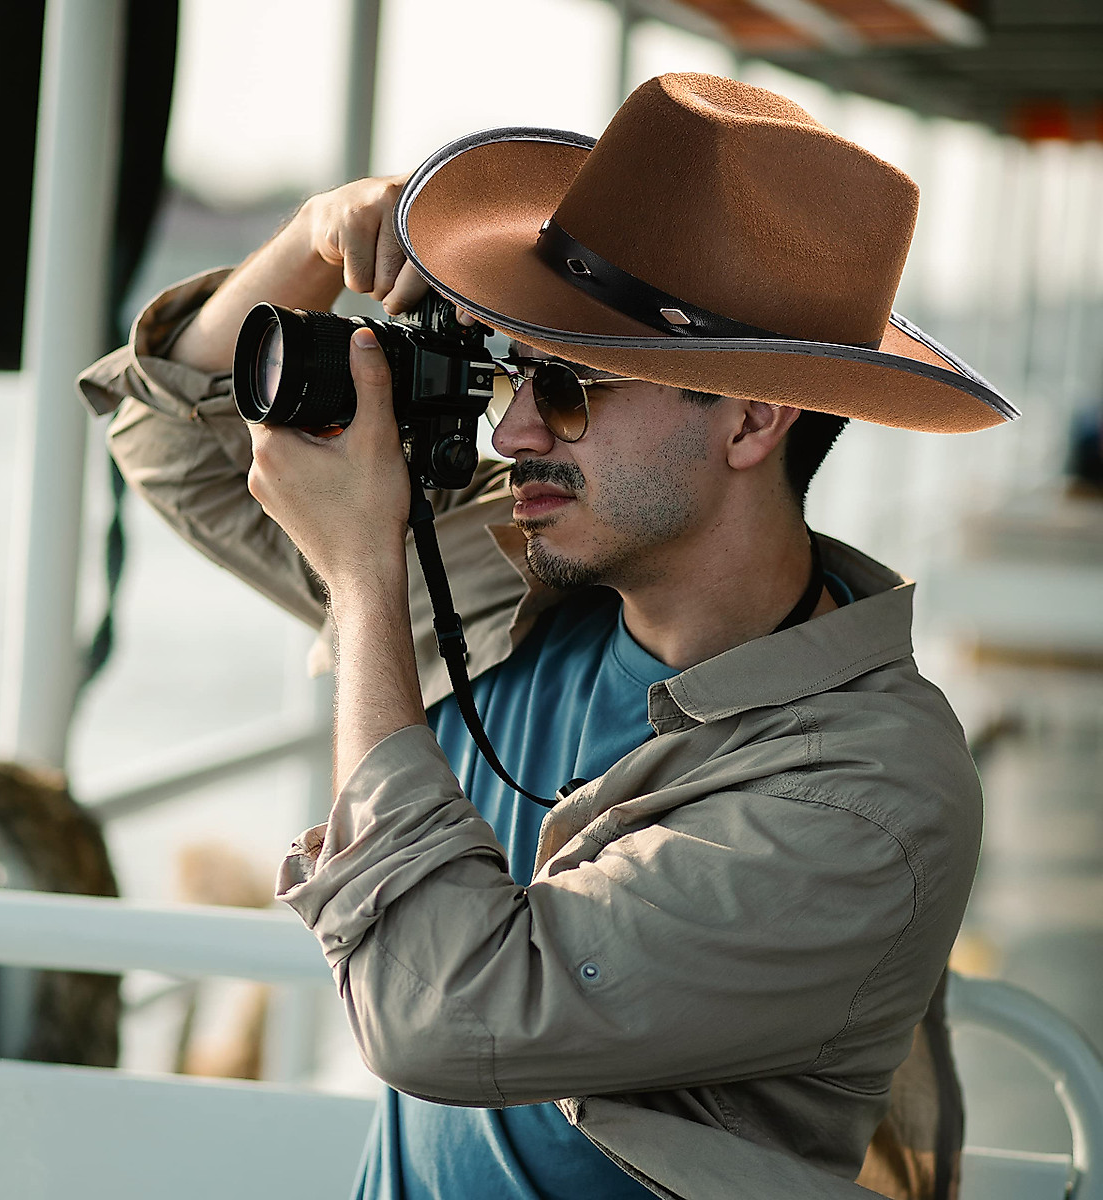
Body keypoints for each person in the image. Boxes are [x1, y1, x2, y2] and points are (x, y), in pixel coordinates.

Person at [79, 75, 1017, 1199]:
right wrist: (315, 241)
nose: (515, 430)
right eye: (517, 374)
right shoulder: (530, 571)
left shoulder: (869, 796)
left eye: (571, 388)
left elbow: (443, 1015)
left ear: (752, 420)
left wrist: (366, 578)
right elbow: (177, 441)